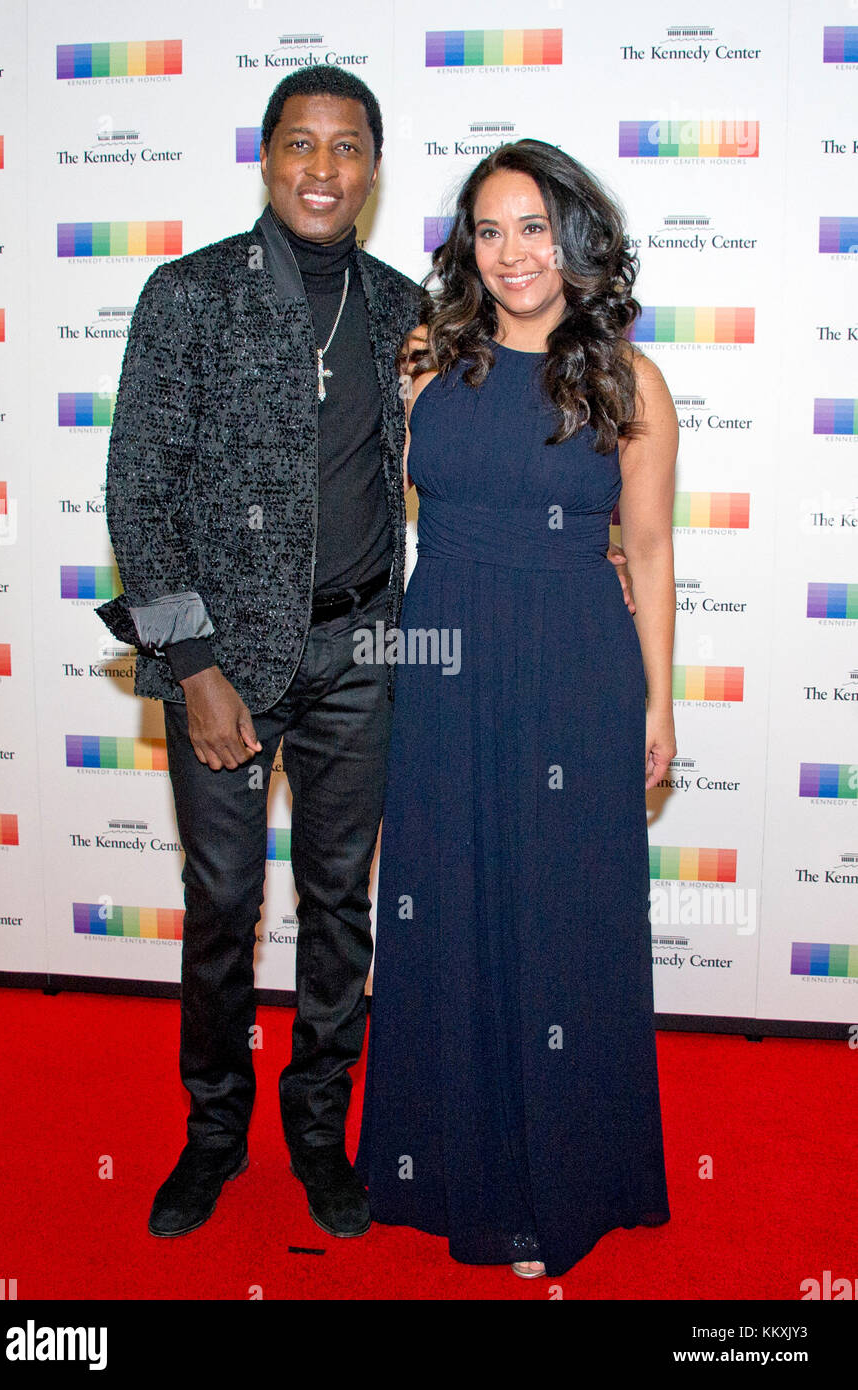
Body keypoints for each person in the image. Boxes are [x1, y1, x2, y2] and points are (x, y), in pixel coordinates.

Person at [97, 69, 634, 1244]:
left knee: (344, 909)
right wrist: (191, 668)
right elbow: (138, 493)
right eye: (301, 144)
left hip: (365, 654)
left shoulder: (413, 320)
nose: (322, 169)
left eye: (347, 148)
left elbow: (499, 460)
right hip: (222, 665)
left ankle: (320, 1136)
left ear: (374, 171)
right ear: (268, 157)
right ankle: (212, 1133)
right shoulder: (187, 296)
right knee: (221, 905)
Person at [354, 139, 677, 1279]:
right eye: (487, 231)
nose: (510, 254)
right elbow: (365, 521)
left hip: (575, 669)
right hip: (443, 665)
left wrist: (658, 704)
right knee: (440, 907)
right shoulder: (423, 360)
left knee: (562, 919)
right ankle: (440, 1174)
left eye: (532, 226)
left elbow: (644, 546)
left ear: (574, 237)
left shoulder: (627, 381)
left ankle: (563, 1183)